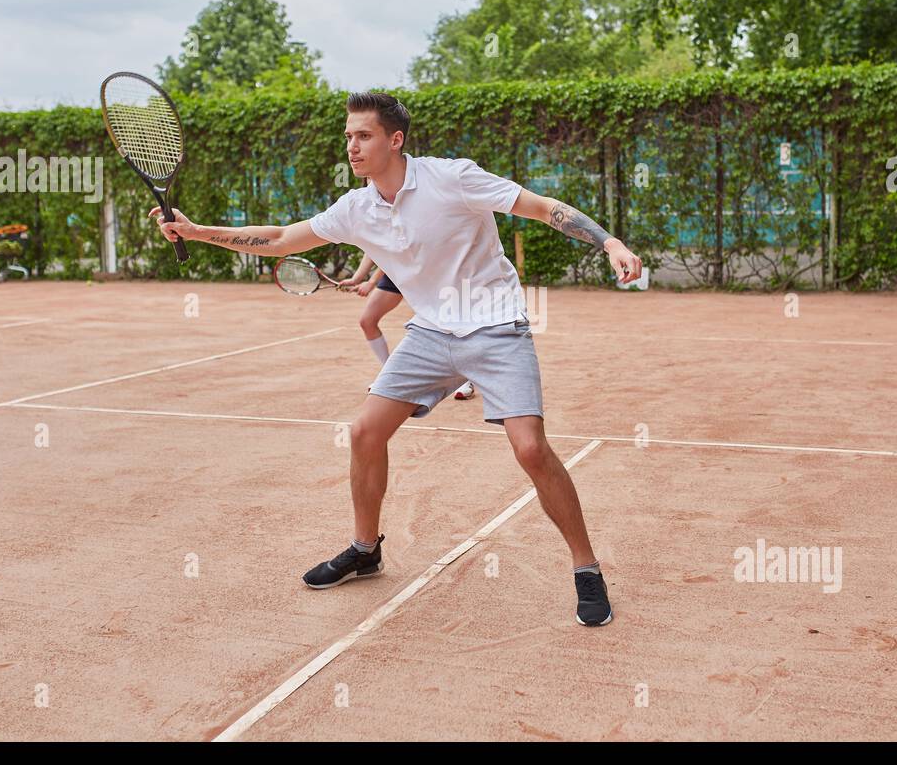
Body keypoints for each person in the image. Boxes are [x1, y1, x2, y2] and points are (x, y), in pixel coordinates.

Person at [151, 91, 643, 626]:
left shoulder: (452, 178)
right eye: (348, 137)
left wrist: (610, 242)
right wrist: (198, 232)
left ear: (395, 139)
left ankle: (586, 568)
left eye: (363, 136)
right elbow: (281, 240)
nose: (352, 147)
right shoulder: (355, 208)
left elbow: (544, 208)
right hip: (431, 333)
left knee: (529, 449)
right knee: (365, 432)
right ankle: (366, 549)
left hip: (495, 326)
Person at [343, 253, 475, 399]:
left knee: (449, 322)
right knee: (367, 321)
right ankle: (388, 377)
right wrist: (357, 278)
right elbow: (374, 248)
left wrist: (372, 281)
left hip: (428, 269)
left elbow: (391, 250)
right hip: (397, 272)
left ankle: (465, 379)